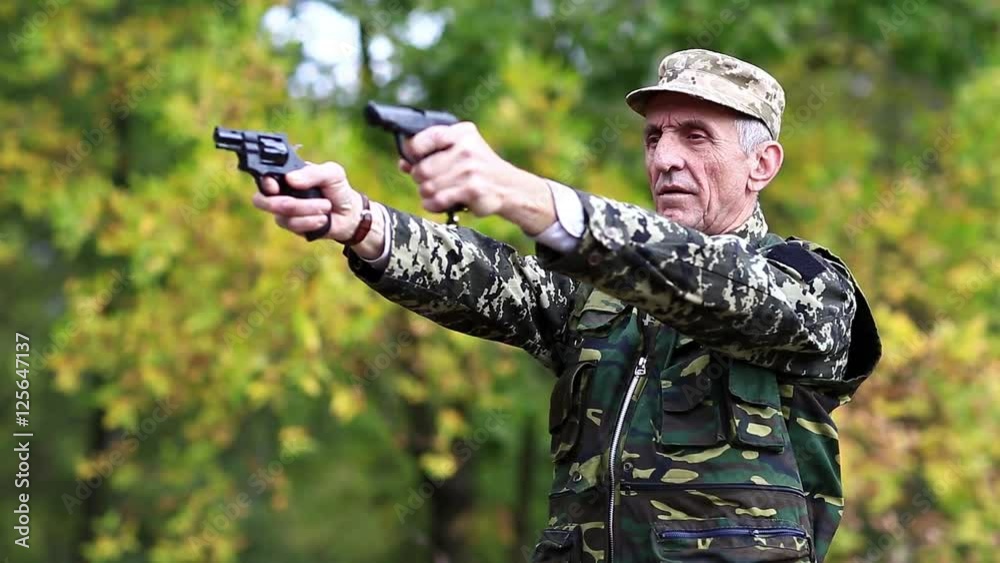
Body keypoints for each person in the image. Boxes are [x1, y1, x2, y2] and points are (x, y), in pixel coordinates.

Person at [250, 49, 882, 563]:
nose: (665, 158)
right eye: (655, 137)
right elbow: (491, 280)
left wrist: (526, 194)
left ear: (762, 164)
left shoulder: (809, 286)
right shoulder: (603, 295)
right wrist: (360, 222)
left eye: (696, 136)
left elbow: (719, 287)